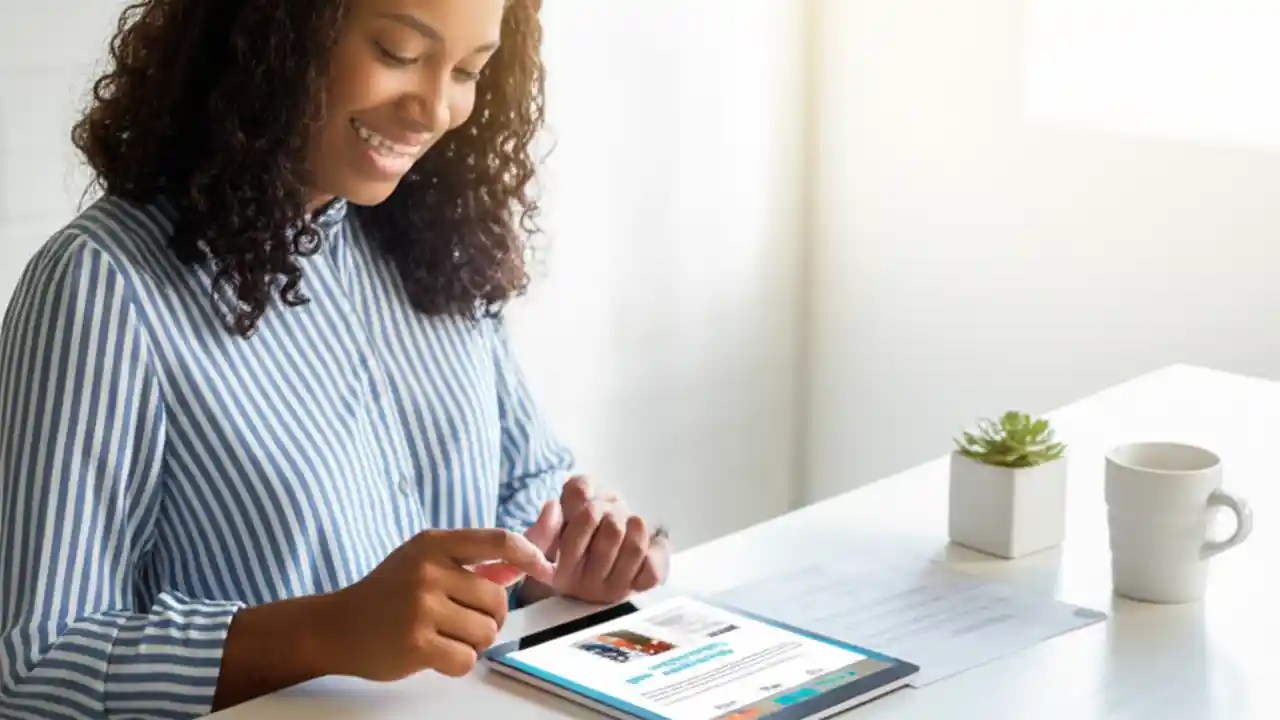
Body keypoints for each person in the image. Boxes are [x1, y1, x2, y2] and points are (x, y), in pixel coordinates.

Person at [0, 1, 669, 717]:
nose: (436, 109)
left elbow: (525, 487)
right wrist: (326, 632)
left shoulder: (437, 241)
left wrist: (565, 562)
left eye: (471, 70)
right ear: (272, 33)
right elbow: (35, 668)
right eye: (399, 52)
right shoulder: (104, 285)